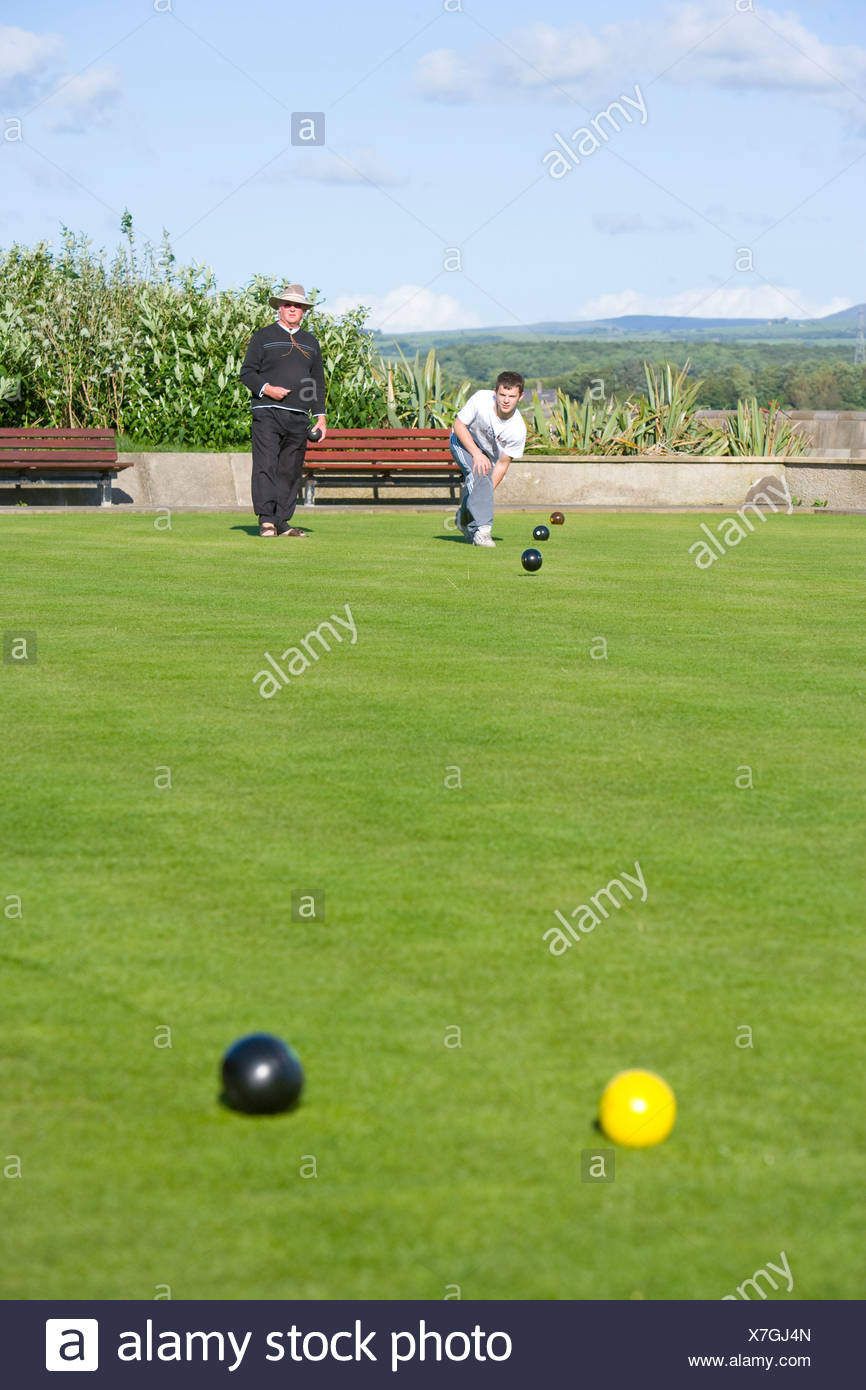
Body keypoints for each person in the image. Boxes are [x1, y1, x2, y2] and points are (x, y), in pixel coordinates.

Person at [239, 284, 327, 537]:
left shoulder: (311, 342)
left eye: (297, 306)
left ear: (303, 311)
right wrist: (267, 389)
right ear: (279, 307)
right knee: (266, 465)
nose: (292, 309)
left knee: (290, 470)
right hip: (267, 411)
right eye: (287, 304)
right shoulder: (263, 336)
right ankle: (267, 521)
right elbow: (247, 373)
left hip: (299, 416)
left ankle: (281, 522)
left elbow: (316, 382)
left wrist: (320, 417)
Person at [450, 372, 526, 546]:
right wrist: (477, 454)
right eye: (502, 395)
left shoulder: (518, 429)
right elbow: (459, 425)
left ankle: (463, 518)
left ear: (520, 397)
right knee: (480, 473)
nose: (506, 400)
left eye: (512, 396)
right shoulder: (481, 399)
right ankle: (483, 532)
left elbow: (502, 464)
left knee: (482, 483)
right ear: (495, 393)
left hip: (487, 457)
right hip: (461, 441)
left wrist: (485, 493)